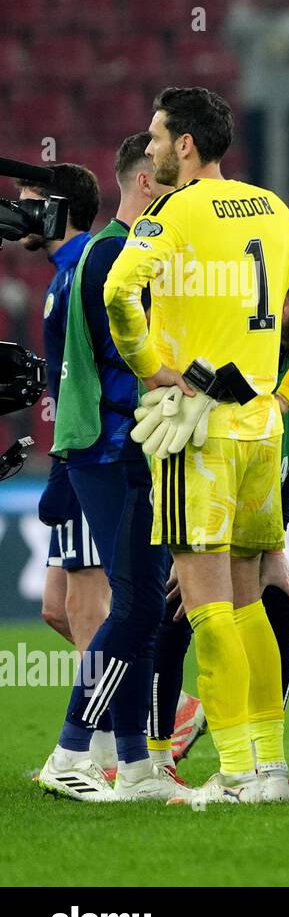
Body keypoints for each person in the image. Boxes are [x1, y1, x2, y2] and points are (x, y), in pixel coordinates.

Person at [103, 86, 289, 805]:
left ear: (185, 143)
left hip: (197, 428)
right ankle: (269, 768)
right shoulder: (272, 209)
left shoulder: (168, 214)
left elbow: (122, 292)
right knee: (249, 603)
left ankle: (236, 771)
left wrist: (152, 368)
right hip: (259, 434)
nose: (149, 149)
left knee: (207, 605)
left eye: (155, 137)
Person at [37, 134, 180, 801]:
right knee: (139, 604)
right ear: (148, 182)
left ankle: (139, 764)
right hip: (115, 447)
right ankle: (71, 749)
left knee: (141, 605)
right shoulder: (117, 256)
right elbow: (127, 362)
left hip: (117, 447)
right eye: (175, 182)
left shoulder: (97, 255)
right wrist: (183, 382)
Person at [153, 287, 289, 798]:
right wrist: (185, 543)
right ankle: (155, 755)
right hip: (194, 492)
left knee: (280, 602)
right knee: (173, 606)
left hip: (254, 502)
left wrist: (274, 546)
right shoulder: (232, 346)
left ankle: (261, 762)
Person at [15, 165, 110, 659]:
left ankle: (101, 733)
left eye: (27, 202)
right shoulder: (65, 277)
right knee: (57, 607)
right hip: (77, 456)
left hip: (93, 456)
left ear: (56, 211)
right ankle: (165, 701)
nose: (16, 212)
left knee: (88, 604)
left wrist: (68, 466)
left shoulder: (84, 273)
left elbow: (93, 380)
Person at [224, 0, 289, 199]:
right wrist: (240, 8)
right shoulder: (250, 23)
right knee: (257, 156)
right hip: (258, 99)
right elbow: (231, 41)